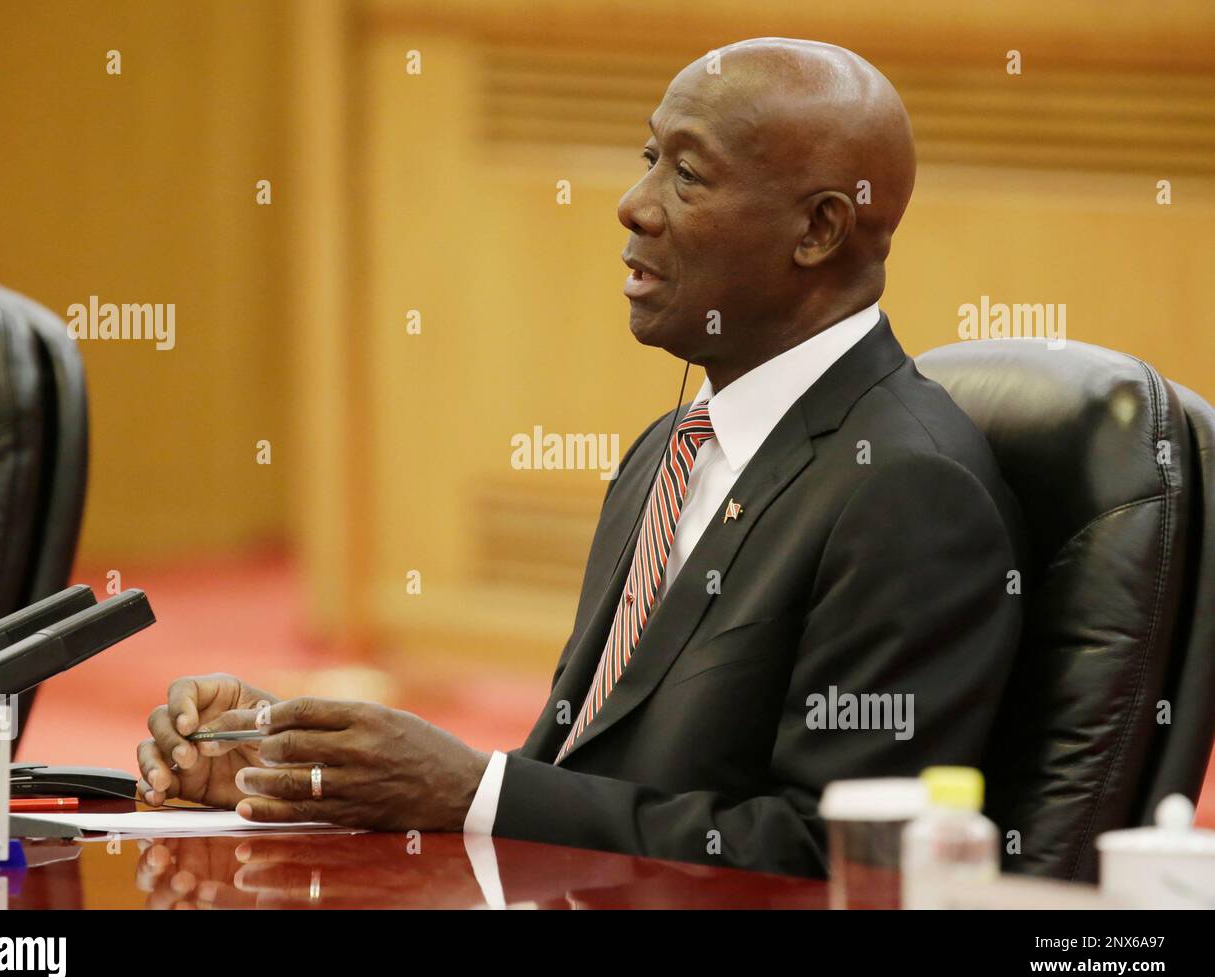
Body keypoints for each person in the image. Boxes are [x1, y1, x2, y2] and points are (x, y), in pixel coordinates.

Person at [137, 37, 1025, 876]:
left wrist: (475, 788)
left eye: (686, 174)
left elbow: (831, 858)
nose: (634, 204)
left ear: (820, 230)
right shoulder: (663, 456)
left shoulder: (908, 489)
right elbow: (577, 776)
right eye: (649, 158)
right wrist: (294, 767)